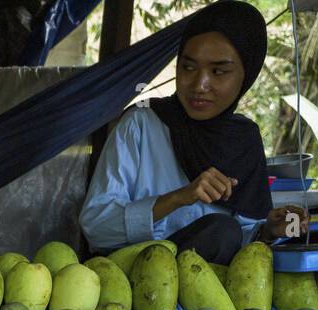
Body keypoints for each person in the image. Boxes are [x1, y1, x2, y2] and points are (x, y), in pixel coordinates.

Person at [79, 0, 305, 265]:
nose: (199, 85)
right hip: (133, 283)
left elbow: (240, 239)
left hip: (209, 295)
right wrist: (177, 198)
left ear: (247, 74)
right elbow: (96, 227)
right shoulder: (140, 125)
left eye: (219, 71)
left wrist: (269, 231)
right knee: (221, 231)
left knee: (223, 232)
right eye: (188, 67)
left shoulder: (243, 140)